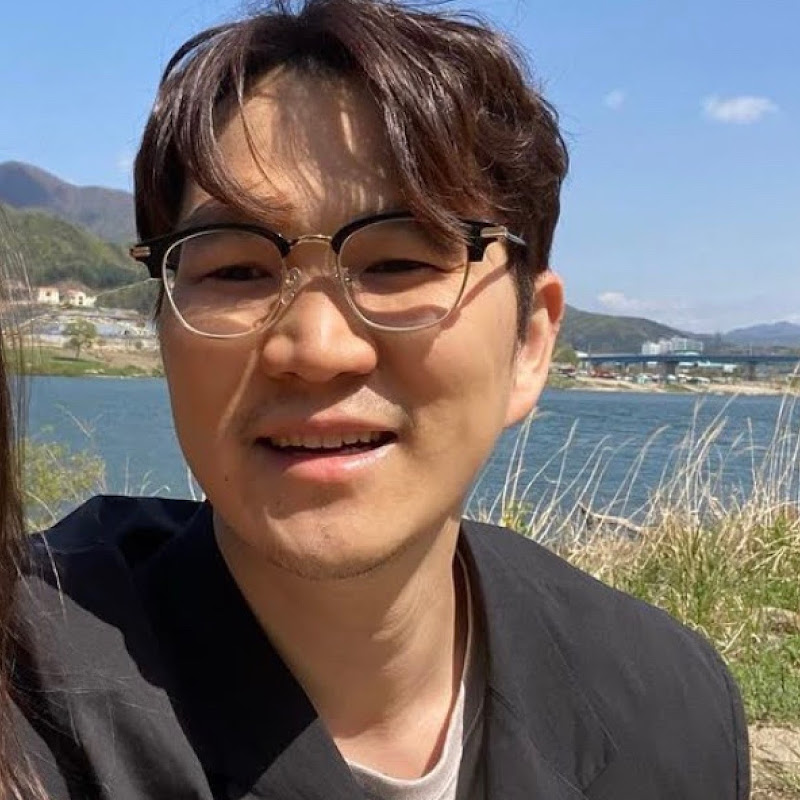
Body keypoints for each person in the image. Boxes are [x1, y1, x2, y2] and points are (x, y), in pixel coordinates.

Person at [17, 1, 750, 798]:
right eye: (235, 270)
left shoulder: (669, 709)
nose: (316, 348)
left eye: (398, 264)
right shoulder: (29, 694)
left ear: (530, 343)